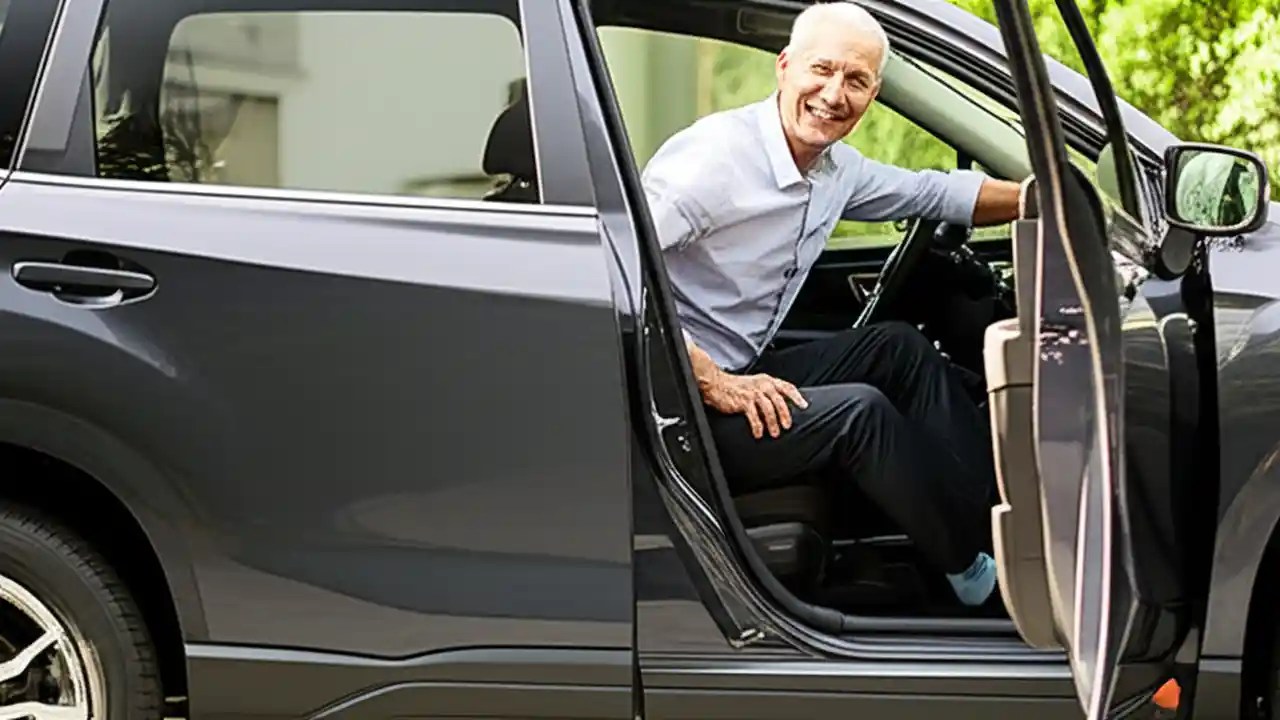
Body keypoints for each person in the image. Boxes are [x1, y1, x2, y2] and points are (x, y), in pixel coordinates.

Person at [641, 1, 1022, 607]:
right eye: (821, 70)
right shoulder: (713, 161)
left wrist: (1047, 198)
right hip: (672, 409)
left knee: (896, 348)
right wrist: (709, 378)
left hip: (740, 372)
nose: (833, 94)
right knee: (859, 412)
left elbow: (931, 192)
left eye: (856, 80)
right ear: (784, 66)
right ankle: (974, 581)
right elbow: (609, 272)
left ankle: (1002, 523)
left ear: (873, 94)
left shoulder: (834, 170)